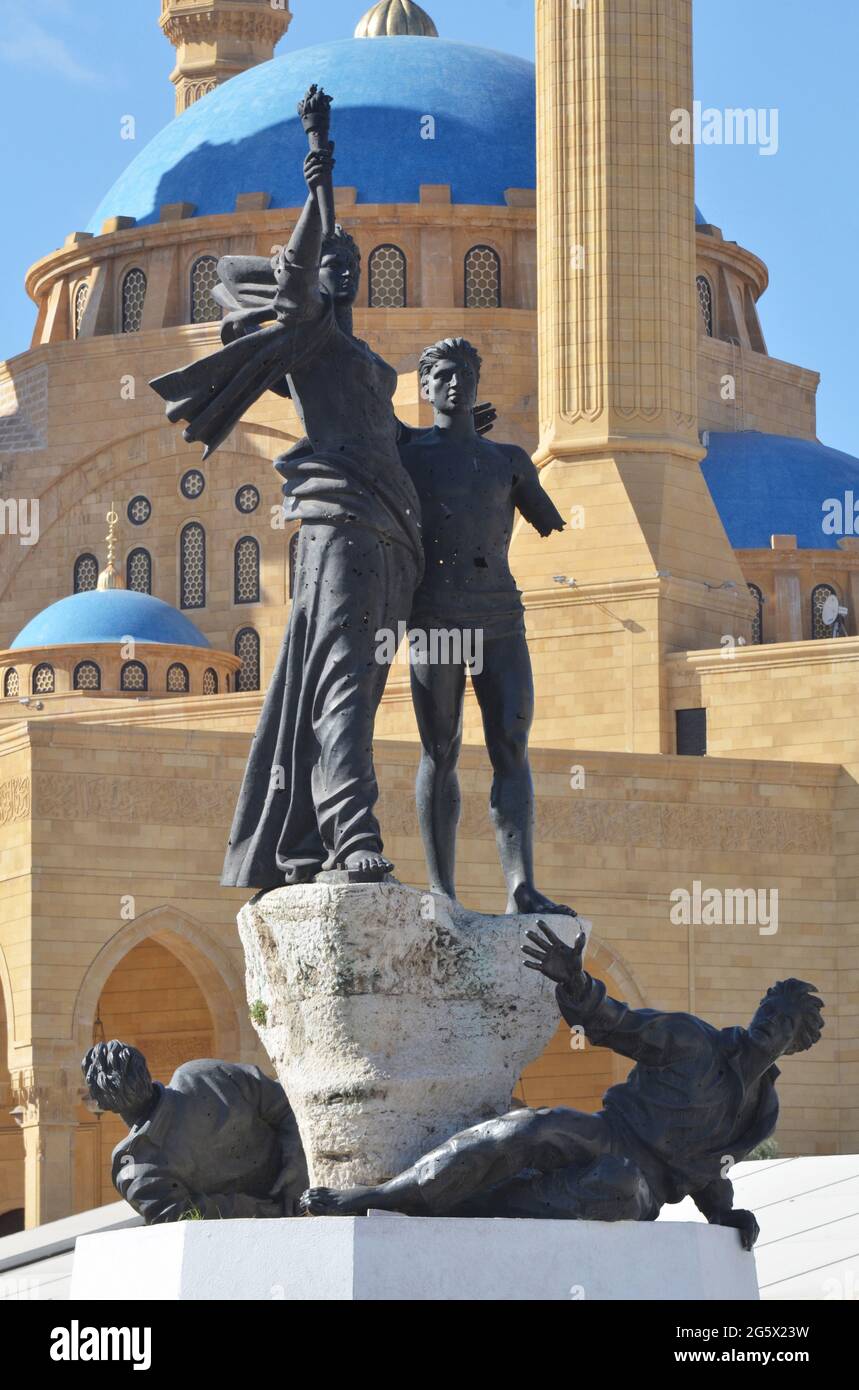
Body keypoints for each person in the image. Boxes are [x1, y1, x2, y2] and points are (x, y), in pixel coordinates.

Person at [150, 87, 423, 889]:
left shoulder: (366, 361)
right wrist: (317, 174)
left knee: (359, 688)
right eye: (332, 263)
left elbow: (389, 438)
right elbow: (300, 272)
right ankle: (354, 828)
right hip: (337, 522)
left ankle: (316, 836)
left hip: (391, 534)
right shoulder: (307, 339)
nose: (343, 271)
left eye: (356, 264)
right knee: (339, 675)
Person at [301, 923, 824, 1248]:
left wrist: (722, 1211)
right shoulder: (692, 1041)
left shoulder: (761, 1113)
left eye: (781, 1024)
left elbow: (708, 1171)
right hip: (608, 1132)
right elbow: (614, 1022)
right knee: (532, 1128)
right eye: (767, 1011)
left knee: (615, 1186)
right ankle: (383, 1195)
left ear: (793, 1045)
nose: (767, 1024)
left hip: (643, 1185)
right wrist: (574, 983)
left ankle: (465, 1213)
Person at [398, 338, 571, 914]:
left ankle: (521, 886)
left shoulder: (509, 461)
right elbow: (366, 426)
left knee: (511, 745)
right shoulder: (406, 453)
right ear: (424, 388)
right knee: (440, 747)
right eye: (443, 376)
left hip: (499, 616)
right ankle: (442, 889)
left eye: (465, 375)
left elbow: (548, 519)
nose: (454, 384)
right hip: (436, 616)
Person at [82, 1040, 307, 1223]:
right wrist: (295, 1177)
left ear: (103, 1103)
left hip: (283, 1216)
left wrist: (275, 1207)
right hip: (309, 1189)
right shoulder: (203, 1074)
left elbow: (185, 1220)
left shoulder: (133, 1167)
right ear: (143, 1069)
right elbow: (291, 1106)